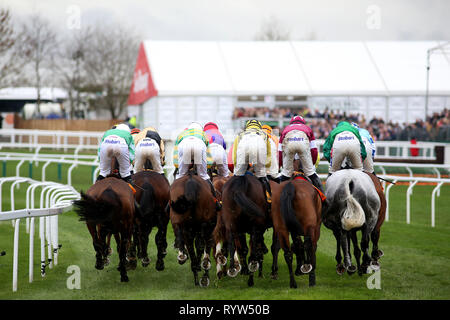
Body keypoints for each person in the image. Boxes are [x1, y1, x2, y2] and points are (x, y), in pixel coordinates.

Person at [175, 122, 221, 210]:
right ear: (200, 129)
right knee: (204, 176)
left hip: (184, 145)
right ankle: (215, 202)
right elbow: (208, 156)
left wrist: (179, 167)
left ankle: (169, 204)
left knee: (180, 176)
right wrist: (206, 169)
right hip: (199, 146)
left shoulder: (181, 135)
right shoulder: (203, 134)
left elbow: (176, 155)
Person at [278, 116, 323, 192]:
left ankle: (278, 193)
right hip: (302, 142)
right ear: (303, 123)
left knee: (286, 174)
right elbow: (314, 150)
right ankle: (322, 196)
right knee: (310, 173)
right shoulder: (307, 128)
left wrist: (281, 166)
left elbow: (279, 151)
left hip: (289, 142)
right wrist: (311, 166)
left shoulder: (285, 129)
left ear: (291, 123)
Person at [232, 119, 272, 201]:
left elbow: (235, 153)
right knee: (261, 175)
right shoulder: (264, 134)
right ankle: (268, 198)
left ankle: (231, 197)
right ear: (259, 127)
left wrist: (237, 168)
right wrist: (266, 166)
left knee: (237, 176)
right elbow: (268, 154)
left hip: (243, 147)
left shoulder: (240, 135)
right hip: (259, 146)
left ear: (247, 127)